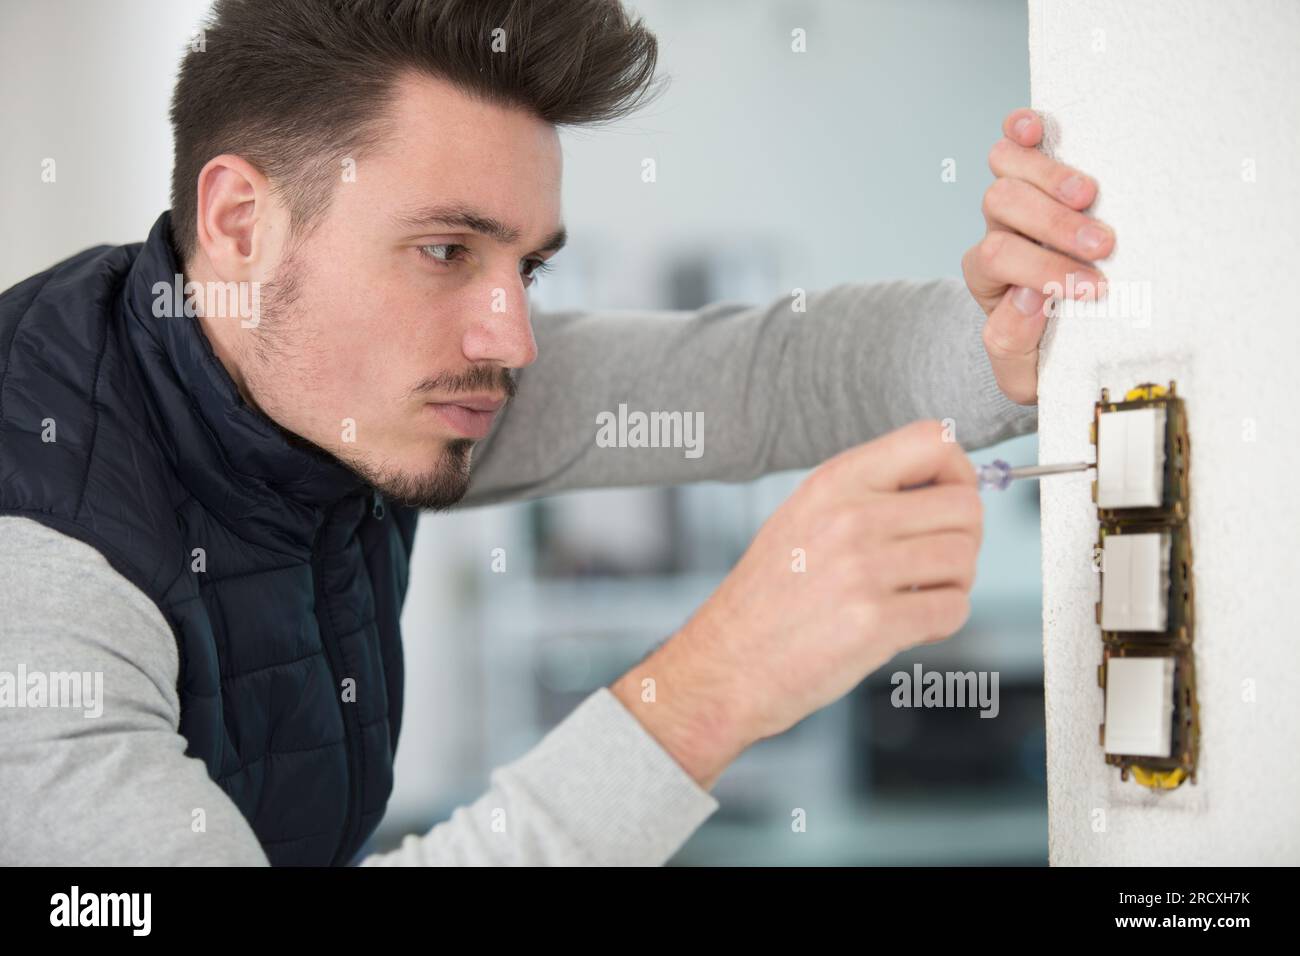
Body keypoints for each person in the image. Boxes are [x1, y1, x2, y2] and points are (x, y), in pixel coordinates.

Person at [0, 0, 1113, 865]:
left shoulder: (324, 383)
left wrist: (1002, 339)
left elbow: (758, 377)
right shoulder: (40, 574)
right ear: (241, 222)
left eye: (525, 265)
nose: (512, 335)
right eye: (445, 250)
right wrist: (716, 681)